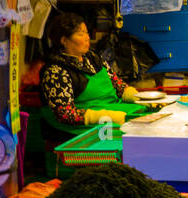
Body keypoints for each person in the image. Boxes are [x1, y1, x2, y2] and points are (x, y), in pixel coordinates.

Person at [39, 12, 147, 146]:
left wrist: (140, 98)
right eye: (81, 34)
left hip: (112, 110)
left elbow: (118, 85)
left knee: (147, 115)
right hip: (84, 127)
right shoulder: (56, 71)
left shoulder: (92, 58)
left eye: (87, 33)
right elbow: (65, 114)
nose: (87, 37)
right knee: (137, 133)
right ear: (64, 40)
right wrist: (106, 116)